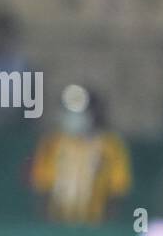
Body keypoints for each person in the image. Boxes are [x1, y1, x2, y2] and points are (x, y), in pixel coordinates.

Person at [31, 85, 131, 224]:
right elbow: (42, 187)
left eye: (79, 112)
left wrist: (107, 226)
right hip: (57, 226)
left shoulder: (109, 145)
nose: (73, 117)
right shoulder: (52, 143)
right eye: (69, 111)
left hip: (96, 226)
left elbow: (117, 189)